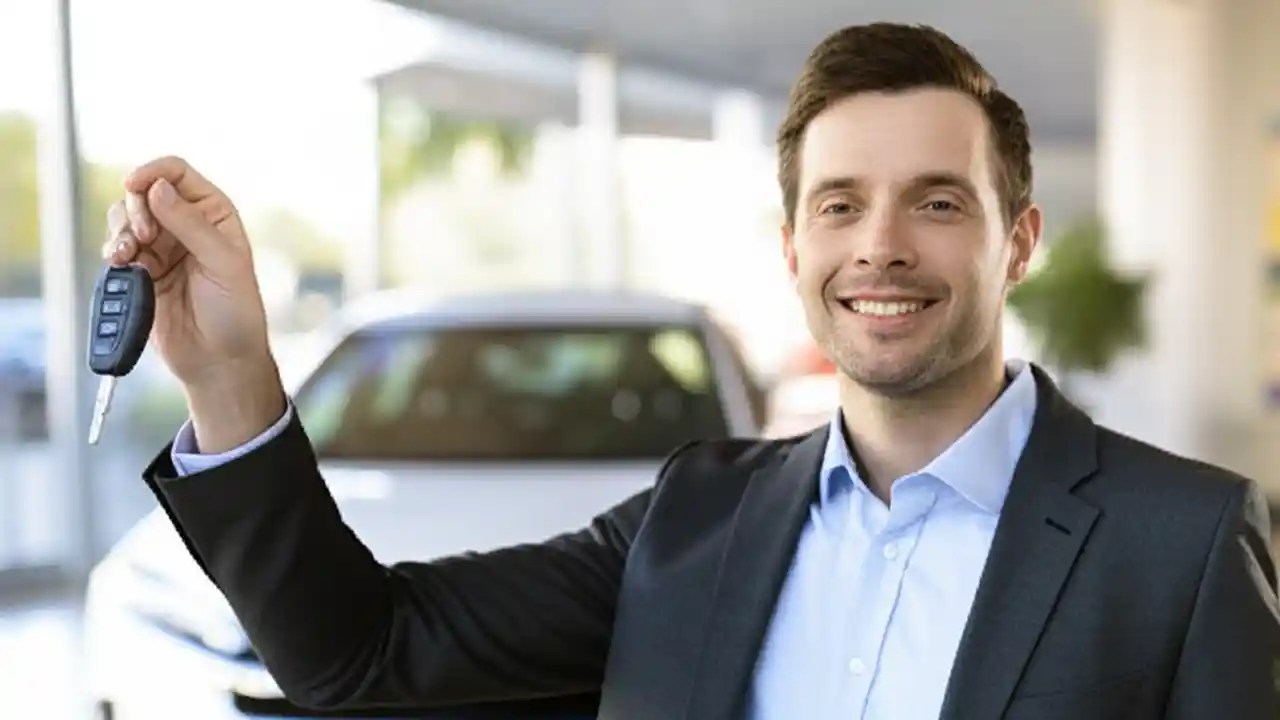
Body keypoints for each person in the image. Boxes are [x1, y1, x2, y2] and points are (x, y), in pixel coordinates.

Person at [106, 22, 1280, 720]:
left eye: (934, 201)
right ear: (793, 250)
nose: (879, 244)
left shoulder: (1180, 541)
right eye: (839, 204)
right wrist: (231, 374)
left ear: (1015, 241)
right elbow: (355, 655)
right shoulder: (694, 519)